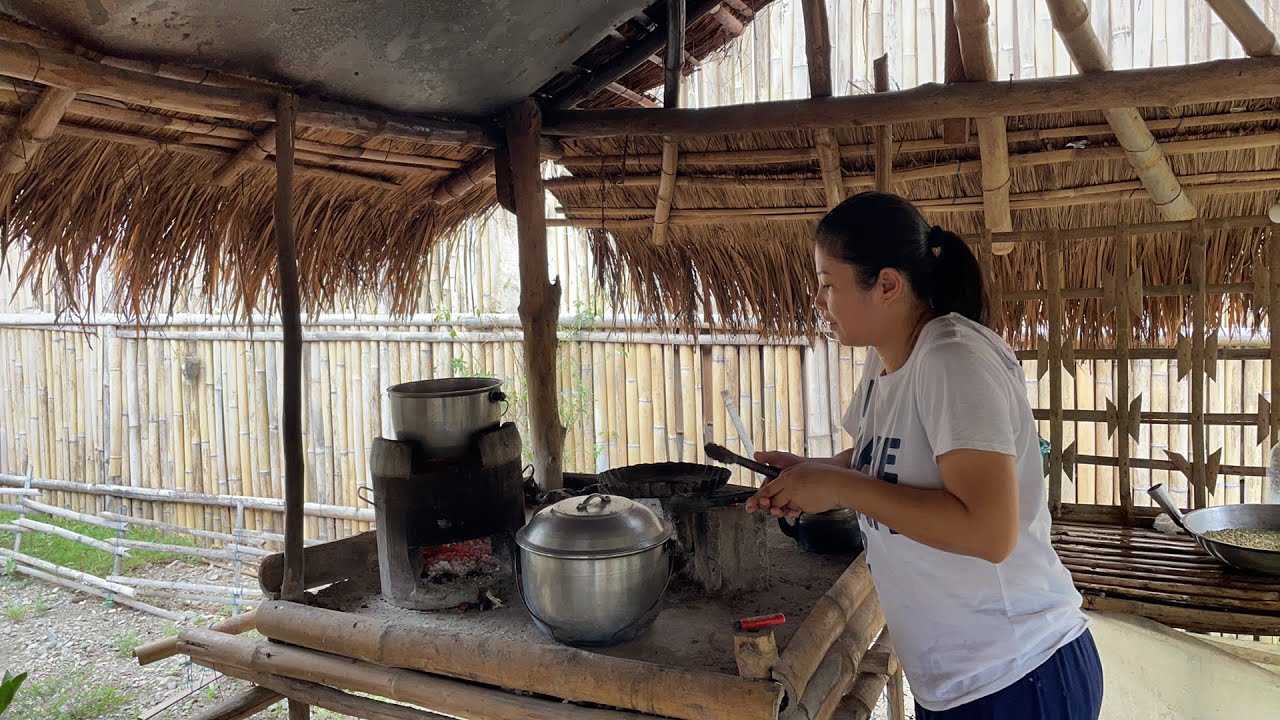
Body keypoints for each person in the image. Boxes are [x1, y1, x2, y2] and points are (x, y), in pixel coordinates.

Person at [747, 192, 1103, 719]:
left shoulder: (953, 359)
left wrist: (840, 488)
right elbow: (880, 459)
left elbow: (990, 532)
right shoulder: (886, 360)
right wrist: (815, 472)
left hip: (1018, 673)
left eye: (828, 285)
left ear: (887, 284)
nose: (819, 302)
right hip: (957, 682)